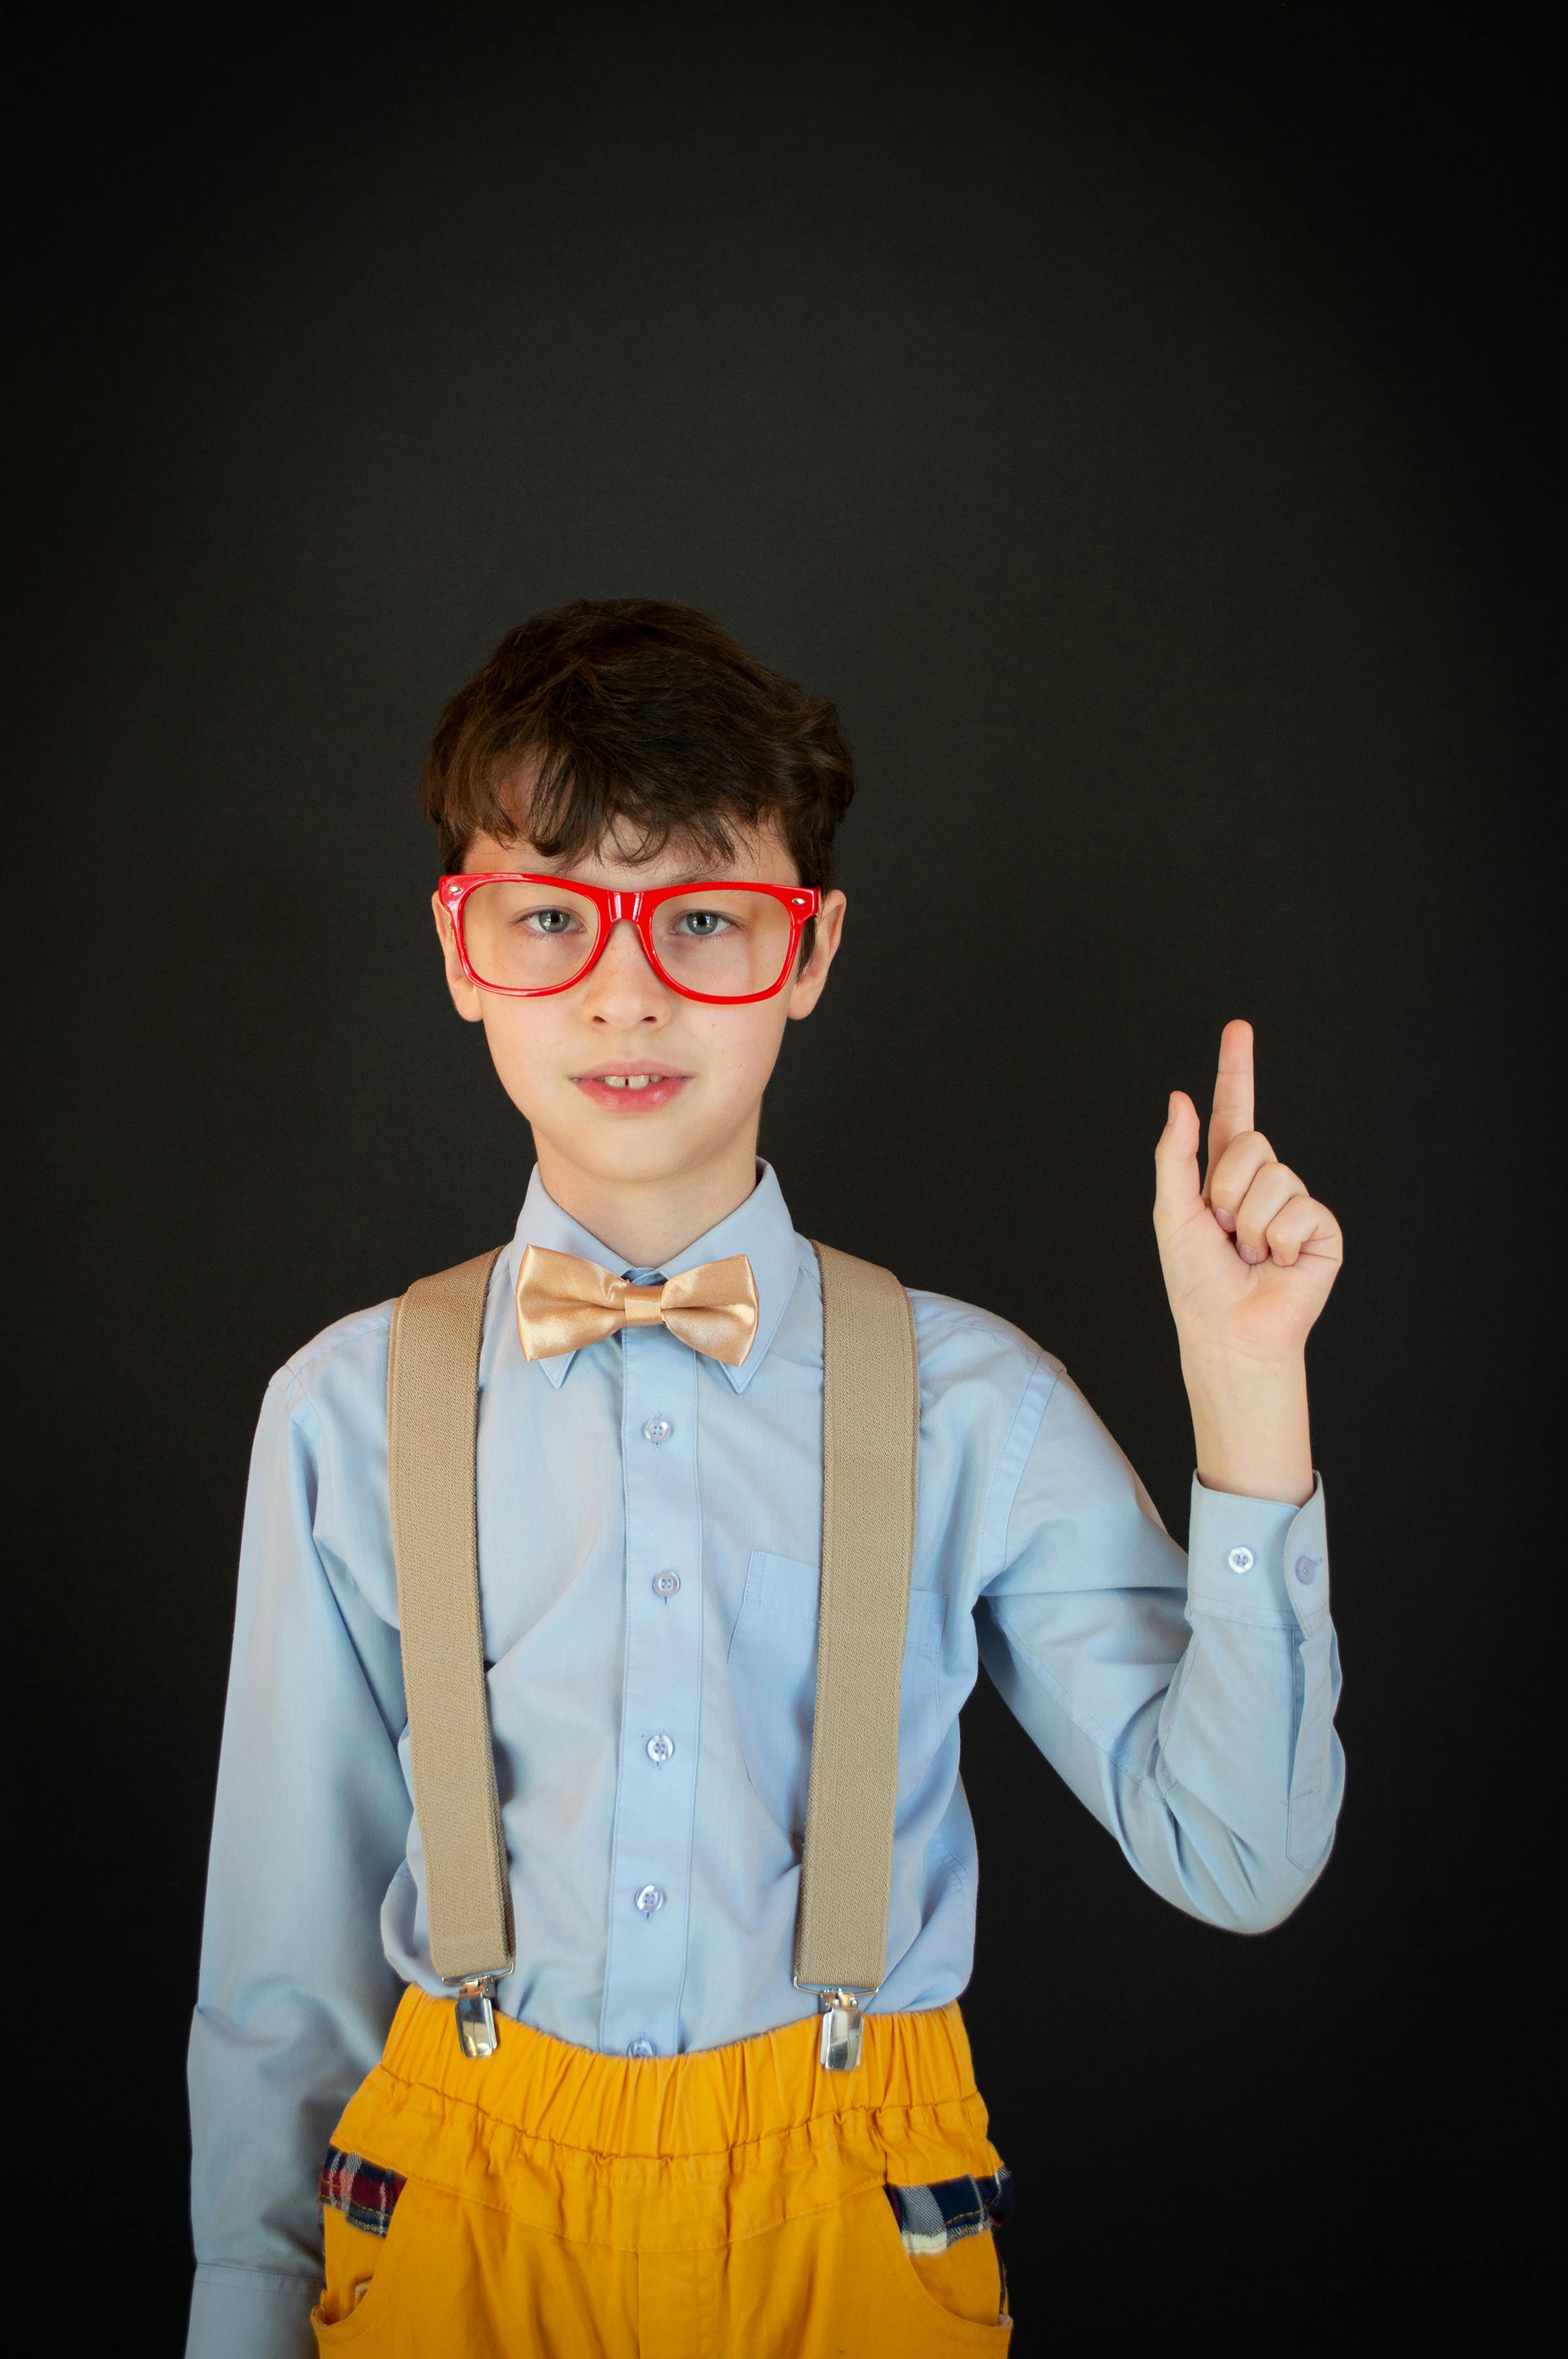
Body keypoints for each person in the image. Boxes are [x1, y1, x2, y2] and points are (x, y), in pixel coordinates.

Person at [184, 597, 1345, 2358]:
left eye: (706, 916)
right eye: (551, 915)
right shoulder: (342, 1411)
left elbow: (1239, 1856)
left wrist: (1247, 1390)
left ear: (805, 954)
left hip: (851, 2213)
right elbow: (279, 1982)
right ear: (458, 948)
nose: (627, 986)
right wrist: (246, 2315)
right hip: (451, 2221)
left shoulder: (974, 1403)